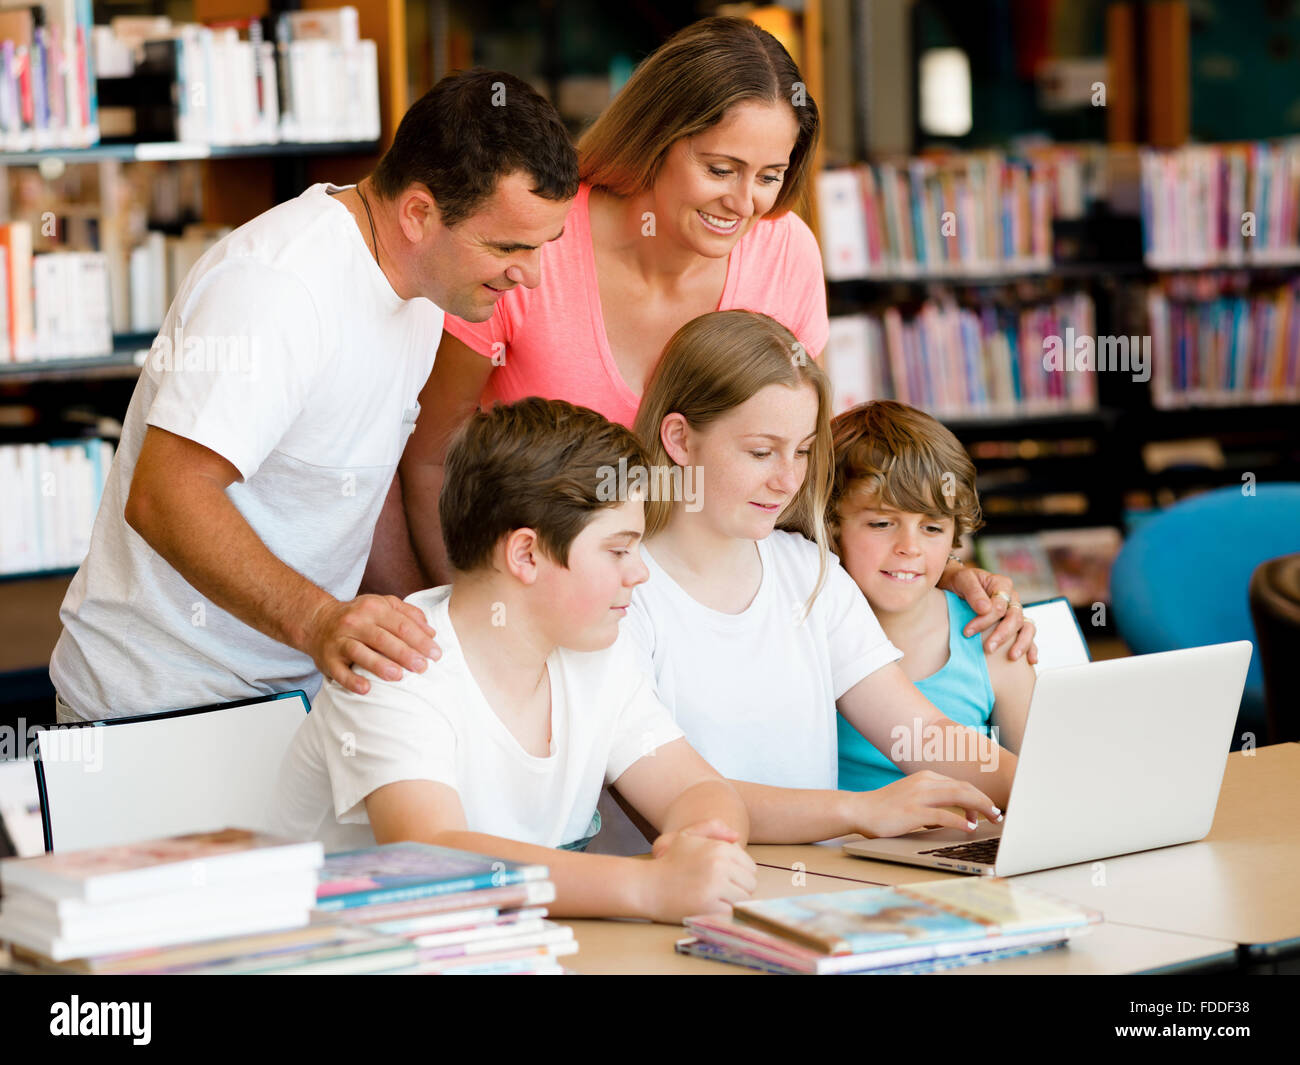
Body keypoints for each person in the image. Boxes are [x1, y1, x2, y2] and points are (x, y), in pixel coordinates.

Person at [376, 17, 1038, 665]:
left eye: (770, 175)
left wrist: (933, 576)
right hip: (541, 609)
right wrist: (468, 627)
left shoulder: (783, 255)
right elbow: (432, 457)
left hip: (717, 623)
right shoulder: (536, 242)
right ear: (658, 138)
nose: (744, 202)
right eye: (721, 167)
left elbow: (815, 470)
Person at [48, 70, 578, 722]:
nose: (530, 275)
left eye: (543, 246)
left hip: (291, 693)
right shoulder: (278, 287)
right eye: (508, 246)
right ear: (419, 213)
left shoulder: (422, 288)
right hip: (157, 705)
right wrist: (319, 619)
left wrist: (424, 633)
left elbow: (356, 478)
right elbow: (166, 494)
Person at [271, 398, 757, 923]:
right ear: (526, 555)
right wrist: (651, 887)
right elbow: (431, 857)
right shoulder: (396, 665)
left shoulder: (596, 654)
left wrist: (702, 841)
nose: (639, 573)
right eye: (618, 551)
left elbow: (696, 788)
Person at [600, 310, 1012, 852]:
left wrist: (1049, 787)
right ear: (679, 438)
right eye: (760, 451)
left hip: (818, 889)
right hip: (683, 903)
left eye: (801, 451)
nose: (788, 479)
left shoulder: (808, 570)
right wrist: (861, 810)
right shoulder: (619, 593)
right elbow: (683, 799)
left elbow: (925, 733)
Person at [829, 401, 1036, 793]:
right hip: (834, 849)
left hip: (960, 847)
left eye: (932, 528)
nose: (910, 547)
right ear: (831, 523)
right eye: (882, 523)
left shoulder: (990, 637)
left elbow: (1044, 776)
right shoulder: (807, 632)